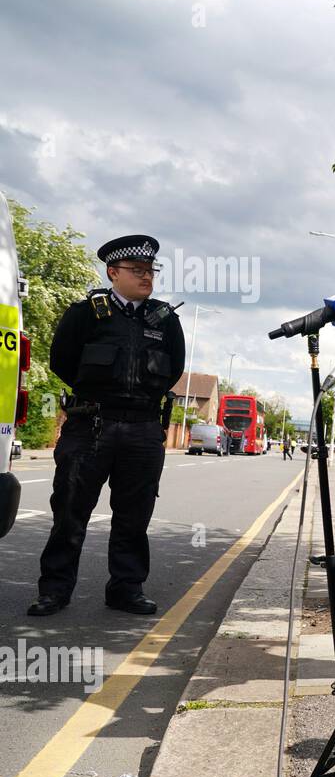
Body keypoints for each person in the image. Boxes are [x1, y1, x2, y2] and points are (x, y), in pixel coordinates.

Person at [29, 235, 185, 617]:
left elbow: (174, 369)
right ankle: (55, 590)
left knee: (134, 515)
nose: (147, 277)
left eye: (151, 271)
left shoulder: (165, 320)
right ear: (113, 273)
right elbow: (62, 361)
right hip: (91, 426)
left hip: (143, 430)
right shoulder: (84, 314)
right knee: (69, 511)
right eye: (138, 271)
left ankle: (125, 589)